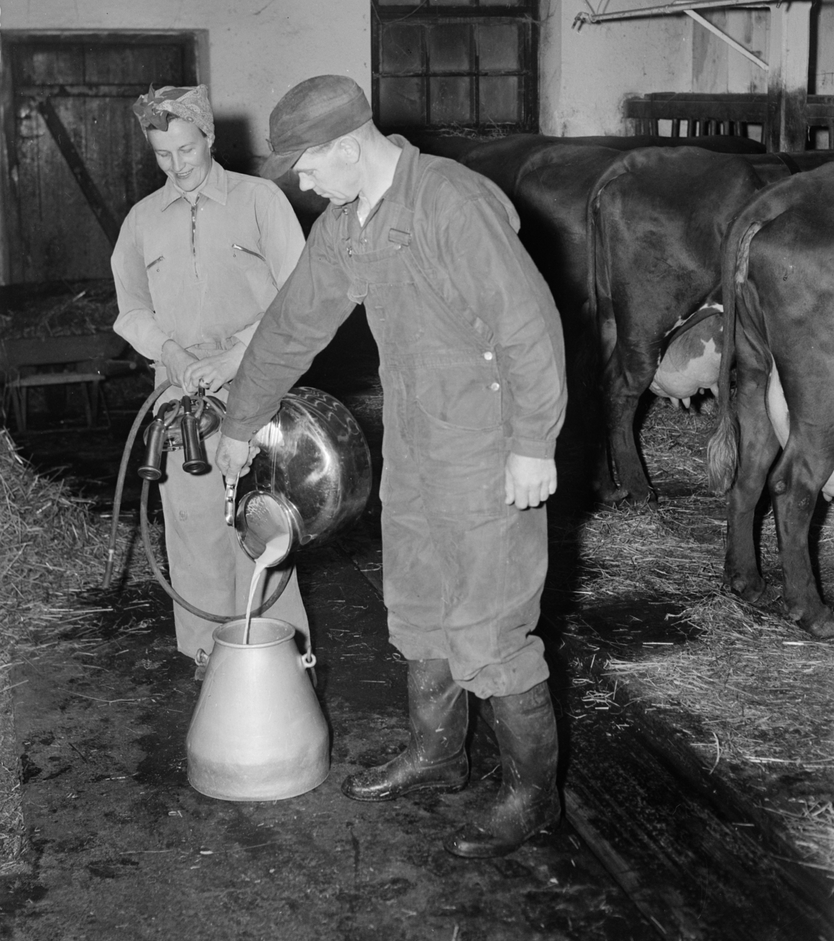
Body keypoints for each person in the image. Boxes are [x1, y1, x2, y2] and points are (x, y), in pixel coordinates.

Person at [215, 75, 567, 858]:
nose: (301, 184)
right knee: (416, 602)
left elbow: (530, 328)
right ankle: (439, 755)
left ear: (346, 147)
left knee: (492, 626)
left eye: (305, 167)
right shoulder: (348, 226)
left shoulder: (450, 204)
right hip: (414, 436)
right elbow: (291, 322)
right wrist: (241, 421)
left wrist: (533, 445)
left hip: (486, 444)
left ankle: (533, 797)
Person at [111, 84, 309, 677]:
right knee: (194, 524)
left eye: (186, 151)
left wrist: (238, 355)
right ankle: (209, 655)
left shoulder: (260, 200)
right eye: (163, 156)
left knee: (261, 518)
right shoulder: (142, 220)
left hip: (256, 384)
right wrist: (167, 351)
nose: (177, 166)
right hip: (180, 395)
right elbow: (130, 308)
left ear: (210, 138)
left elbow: (299, 293)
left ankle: (281, 649)